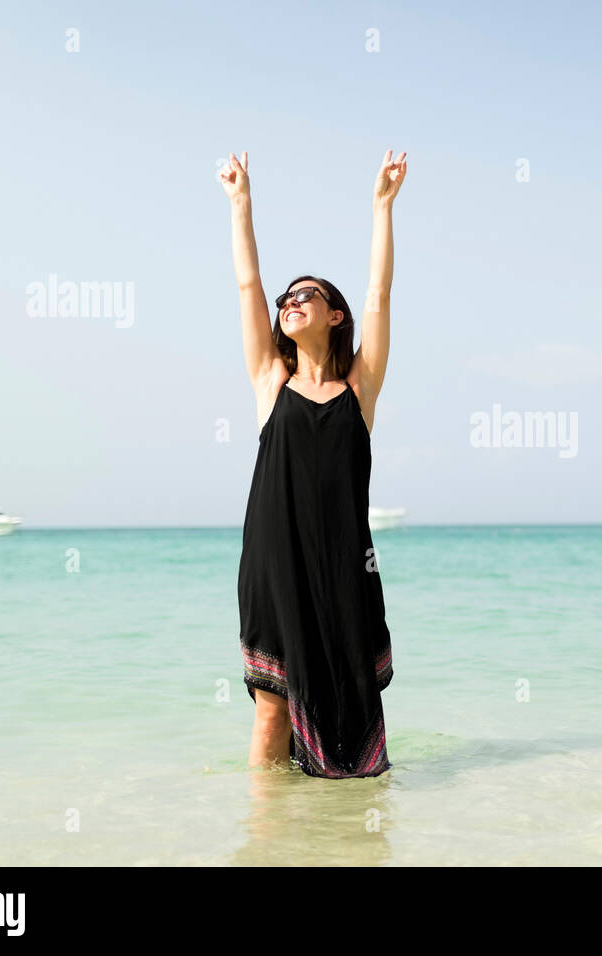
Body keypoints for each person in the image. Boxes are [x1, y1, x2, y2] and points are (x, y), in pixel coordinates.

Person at [217, 148, 408, 777]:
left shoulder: (360, 392)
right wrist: (241, 204)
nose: (289, 302)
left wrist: (382, 207)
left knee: (357, 707)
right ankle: (267, 839)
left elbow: (379, 293)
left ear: (336, 315)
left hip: (346, 567)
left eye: (307, 296)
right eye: (286, 299)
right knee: (272, 709)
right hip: (276, 564)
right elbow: (248, 285)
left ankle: (348, 836)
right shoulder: (271, 381)